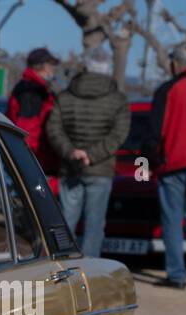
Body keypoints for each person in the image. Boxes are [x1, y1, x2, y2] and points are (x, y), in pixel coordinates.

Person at [46, 45, 129, 258]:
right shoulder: (118, 99)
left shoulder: (65, 96)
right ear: (107, 68)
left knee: (66, 222)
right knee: (94, 225)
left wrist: (72, 151)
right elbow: (119, 134)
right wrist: (91, 155)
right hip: (100, 169)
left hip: (70, 166)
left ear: (85, 66)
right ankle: (91, 270)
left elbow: (53, 128)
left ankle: (63, 264)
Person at [150, 45, 186, 288]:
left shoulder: (168, 90)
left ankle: (177, 274)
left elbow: (154, 132)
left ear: (175, 63)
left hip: (173, 165)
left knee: (173, 221)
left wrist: (147, 163)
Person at [8, 48, 60, 176]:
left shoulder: (37, 88)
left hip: (40, 158)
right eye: (50, 65)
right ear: (42, 66)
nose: (53, 69)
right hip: (36, 159)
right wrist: (28, 163)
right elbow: (26, 129)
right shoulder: (31, 91)